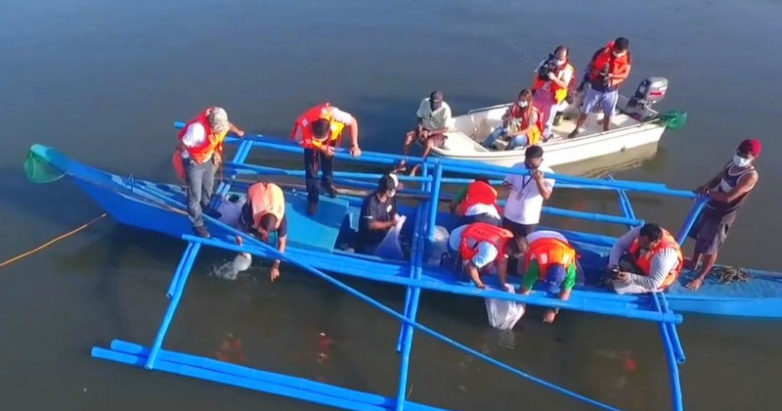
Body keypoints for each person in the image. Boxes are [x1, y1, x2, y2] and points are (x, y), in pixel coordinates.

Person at [686, 139, 761, 291]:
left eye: (745, 155)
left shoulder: (750, 176)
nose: (740, 157)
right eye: (739, 153)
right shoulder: (731, 163)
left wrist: (708, 193)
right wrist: (705, 187)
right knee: (700, 236)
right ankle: (694, 262)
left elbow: (729, 198)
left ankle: (700, 277)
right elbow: (716, 179)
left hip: (723, 215)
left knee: (711, 247)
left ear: (754, 157)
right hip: (710, 206)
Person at [177, 106, 245, 238]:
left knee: (208, 185)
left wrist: (237, 131)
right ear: (211, 123)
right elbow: (182, 145)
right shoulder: (197, 130)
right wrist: (188, 160)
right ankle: (197, 223)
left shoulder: (221, 123)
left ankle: (206, 207)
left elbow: (228, 125)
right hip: (194, 162)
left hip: (207, 158)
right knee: (194, 195)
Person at [291, 102, 361, 215]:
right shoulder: (304, 126)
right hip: (310, 144)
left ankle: (327, 183)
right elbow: (299, 140)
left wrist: (354, 145)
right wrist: (320, 146)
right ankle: (313, 199)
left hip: (330, 142)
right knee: (311, 171)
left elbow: (353, 122)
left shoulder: (335, 114)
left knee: (328, 163)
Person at [569, 37, 632, 138]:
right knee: (585, 110)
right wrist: (587, 80)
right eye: (618, 49)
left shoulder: (627, 57)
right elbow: (590, 67)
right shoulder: (602, 52)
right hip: (595, 88)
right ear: (614, 47)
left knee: (609, 113)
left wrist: (611, 76)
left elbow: (625, 74)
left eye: (622, 50)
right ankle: (577, 129)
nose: (619, 52)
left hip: (611, 90)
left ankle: (606, 131)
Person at [511, 231, 579, 324]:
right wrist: (520, 307)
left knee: (579, 278)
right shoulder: (536, 264)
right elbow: (524, 290)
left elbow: (566, 291)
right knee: (520, 271)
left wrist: (553, 310)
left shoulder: (570, 270)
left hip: (560, 240)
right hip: (534, 238)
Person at [607, 223, 683, 294]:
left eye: (646, 244)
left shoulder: (663, 256)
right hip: (641, 264)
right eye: (640, 241)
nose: (641, 245)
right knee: (612, 261)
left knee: (617, 286)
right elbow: (620, 245)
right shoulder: (638, 231)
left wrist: (630, 277)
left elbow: (654, 283)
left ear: (657, 242)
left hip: (657, 280)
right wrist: (614, 265)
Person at [447, 222, 525, 289]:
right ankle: (449, 261)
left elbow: (503, 260)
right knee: (466, 278)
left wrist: (503, 283)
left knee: (487, 265)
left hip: (464, 230)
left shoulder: (508, 235)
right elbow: (470, 266)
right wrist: (480, 285)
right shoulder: (490, 252)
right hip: (454, 244)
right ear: (510, 250)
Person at [501, 145, 555, 238]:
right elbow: (506, 182)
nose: (529, 167)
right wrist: (507, 186)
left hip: (528, 219)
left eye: (533, 165)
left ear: (541, 160)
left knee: (523, 247)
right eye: (527, 164)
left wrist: (539, 181)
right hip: (509, 215)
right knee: (504, 243)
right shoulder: (517, 166)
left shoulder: (549, 173)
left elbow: (546, 195)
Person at [238, 182, 288, 282]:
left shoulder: (281, 220)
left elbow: (282, 242)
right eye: (264, 230)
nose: (266, 233)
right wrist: (241, 250)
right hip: (256, 190)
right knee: (244, 225)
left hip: (274, 192)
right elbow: (239, 234)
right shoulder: (250, 214)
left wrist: (276, 266)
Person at [401, 91, 452, 174]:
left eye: (437, 104)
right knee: (409, 137)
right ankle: (404, 162)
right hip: (425, 128)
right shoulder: (425, 102)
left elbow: (446, 129)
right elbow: (419, 116)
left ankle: (417, 167)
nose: (434, 106)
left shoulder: (446, 110)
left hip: (438, 132)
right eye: (433, 103)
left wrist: (431, 133)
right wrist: (420, 127)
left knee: (429, 143)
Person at [532, 45, 576, 140]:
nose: (559, 57)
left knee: (547, 120)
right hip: (539, 94)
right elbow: (535, 74)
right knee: (534, 115)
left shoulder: (567, 69)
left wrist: (554, 78)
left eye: (561, 56)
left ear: (566, 57)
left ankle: (545, 135)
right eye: (558, 54)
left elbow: (565, 85)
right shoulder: (545, 62)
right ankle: (532, 131)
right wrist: (543, 73)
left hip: (552, 98)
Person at [357, 173, 401, 255]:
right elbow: (371, 224)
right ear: (387, 190)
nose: (394, 191)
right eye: (393, 189)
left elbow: (393, 211)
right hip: (369, 241)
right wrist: (391, 223)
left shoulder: (391, 198)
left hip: (385, 235)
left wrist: (395, 218)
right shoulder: (371, 202)